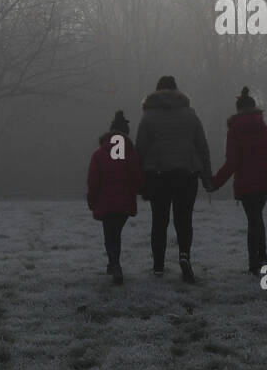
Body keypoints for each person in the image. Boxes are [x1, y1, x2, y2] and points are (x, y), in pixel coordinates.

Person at [135, 76, 212, 283]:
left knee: (159, 221)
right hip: (186, 174)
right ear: (177, 91)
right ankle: (184, 255)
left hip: (158, 176)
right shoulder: (190, 114)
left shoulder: (148, 116)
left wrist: (138, 181)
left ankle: (158, 266)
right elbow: (202, 147)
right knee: (184, 220)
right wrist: (207, 176)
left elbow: (140, 150)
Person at [208, 87, 267, 275]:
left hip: (246, 183)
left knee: (254, 220)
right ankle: (259, 260)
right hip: (264, 183)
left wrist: (215, 182)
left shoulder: (234, 132)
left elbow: (232, 162)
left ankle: (258, 261)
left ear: (238, 110)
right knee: (256, 219)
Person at [86, 110, 143, 285]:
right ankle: (113, 263)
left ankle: (114, 264)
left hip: (105, 201)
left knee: (109, 234)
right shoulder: (131, 153)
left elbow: (93, 180)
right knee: (115, 233)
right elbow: (137, 177)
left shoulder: (99, 154)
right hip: (124, 202)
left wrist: (92, 200)